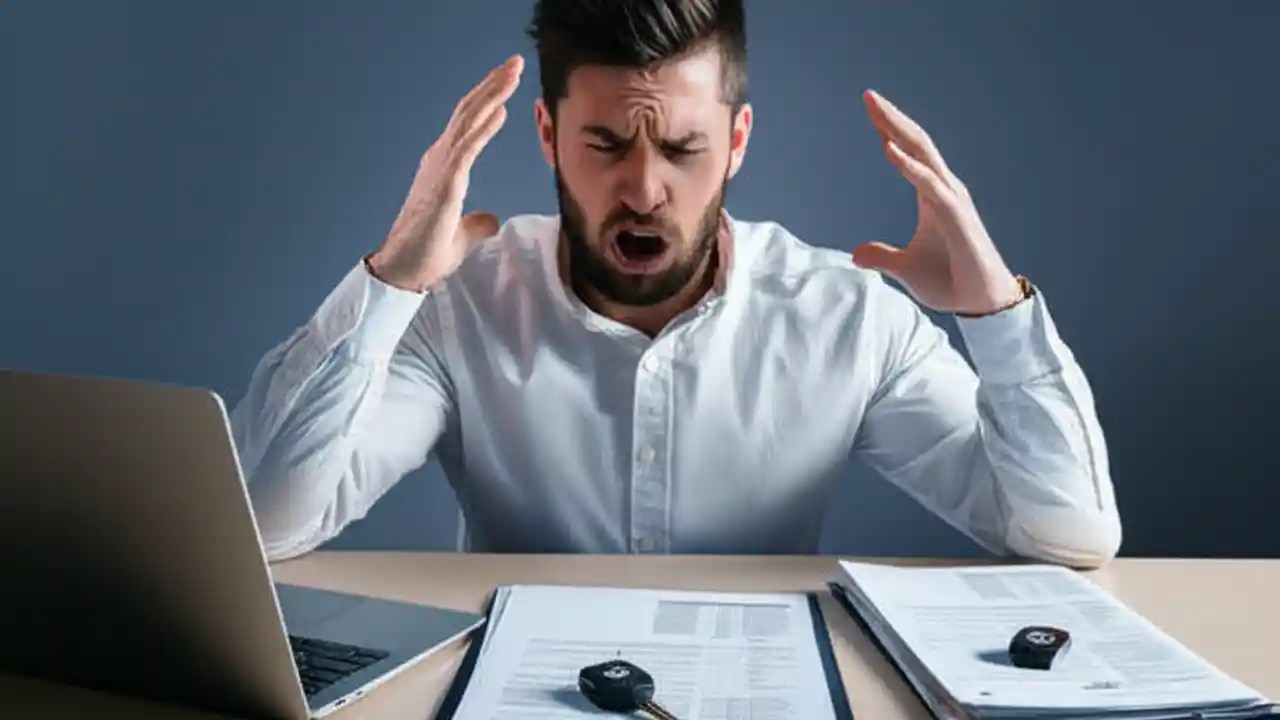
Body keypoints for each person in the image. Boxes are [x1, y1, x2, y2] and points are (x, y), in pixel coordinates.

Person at [231, 0, 1121, 568]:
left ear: (736, 141)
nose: (646, 189)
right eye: (606, 145)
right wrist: (391, 283)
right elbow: (264, 525)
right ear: (547, 135)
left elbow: (1066, 534)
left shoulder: (846, 317)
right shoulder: (460, 306)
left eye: (685, 147)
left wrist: (996, 312)